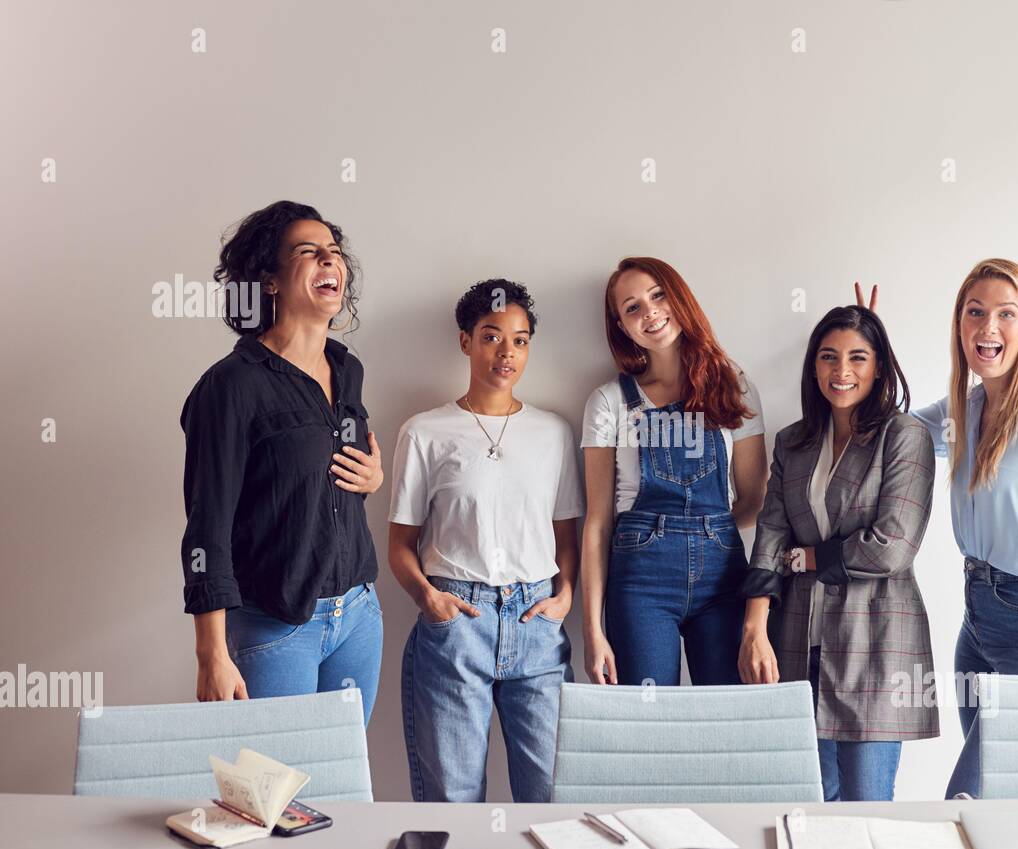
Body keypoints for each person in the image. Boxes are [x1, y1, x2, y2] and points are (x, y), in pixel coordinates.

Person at [855, 259, 1018, 797]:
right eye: (975, 313)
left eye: (1004, 314)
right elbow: (892, 430)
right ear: (960, 324)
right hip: (978, 626)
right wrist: (866, 346)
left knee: (967, 802)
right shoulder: (968, 407)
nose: (987, 328)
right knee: (1003, 800)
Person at [182, 200, 385, 725]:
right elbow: (207, 529)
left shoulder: (348, 368)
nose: (330, 263)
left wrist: (371, 479)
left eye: (335, 253)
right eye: (309, 253)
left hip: (358, 616)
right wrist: (212, 654)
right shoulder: (230, 386)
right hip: (276, 626)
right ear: (268, 281)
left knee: (345, 792)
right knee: (276, 800)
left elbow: (316, 480)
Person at [389, 279, 583, 802]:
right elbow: (400, 544)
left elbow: (566, 532)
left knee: (549, 795)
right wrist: (428, 599)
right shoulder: (425, 432)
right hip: (458, 621)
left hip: (536, 622)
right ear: (465, 341)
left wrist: (565, 597)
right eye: (492, 336)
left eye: (520, 340)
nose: (507, 352)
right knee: (454, 798)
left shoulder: (553, 433)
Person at [739, 305, 939, 801]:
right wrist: (754, 627)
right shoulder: (793, 442)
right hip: (798, 636)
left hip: (875, 637)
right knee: (808, 801)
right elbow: (770, 533)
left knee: (868, 803)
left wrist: (806, 559)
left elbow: (893, 548)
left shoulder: (905, 436)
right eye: (829, 357)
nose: (842, 371)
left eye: (858, 357)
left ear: (879, 366)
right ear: (813, 366)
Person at [580, 257, 766, 687]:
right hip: (640, 581)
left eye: (657, 294)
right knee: (648, 728)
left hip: (722, 577)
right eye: (632, 308)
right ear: (622, 327)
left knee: (725, 720)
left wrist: (703, 530)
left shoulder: (734, 386)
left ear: (679, 297)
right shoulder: (608, 402)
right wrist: (592, 631)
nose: (649, 312)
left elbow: (756, 500)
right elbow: (597, 522)